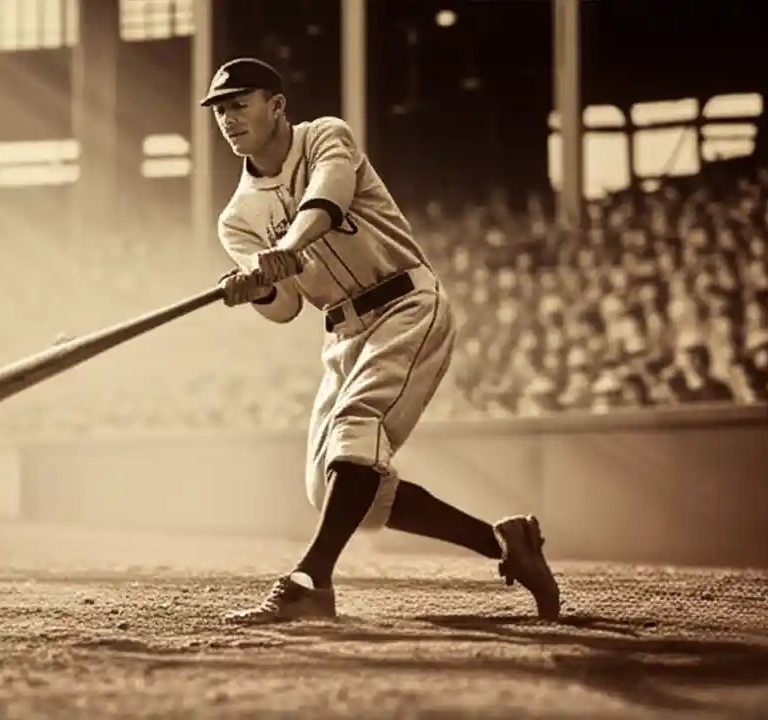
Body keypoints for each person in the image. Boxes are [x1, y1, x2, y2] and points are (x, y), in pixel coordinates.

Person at [203, 58, 560, 624]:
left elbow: (328, 199)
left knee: (356, 426)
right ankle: (504, 543)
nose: (228, 117)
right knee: (331, 489)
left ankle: (309, 580)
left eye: (240, 103)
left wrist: (288, 246)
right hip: (343, 334)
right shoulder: (236, 218)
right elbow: (288, 308)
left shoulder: (325, 135)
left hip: (405, 302)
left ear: (276, 107)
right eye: (220, 108)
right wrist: (258, 292)